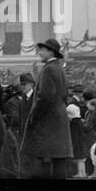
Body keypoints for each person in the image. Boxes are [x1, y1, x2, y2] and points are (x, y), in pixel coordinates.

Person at [22, 38, 74, 179]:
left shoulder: (48, 69)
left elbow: (44, 97)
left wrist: (33, 115)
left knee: (45, 162)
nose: (39, 52)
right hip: (58, 119)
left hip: (48, 121)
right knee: (58, 161)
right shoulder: (59, 68)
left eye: (42, 50)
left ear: (51, 52)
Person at [0, 73, 35, 178]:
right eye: (21, 84)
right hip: (23, 135)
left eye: (24, 84)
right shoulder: (23, 99)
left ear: (31, 84)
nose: (22, 86)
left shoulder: (36, 98)